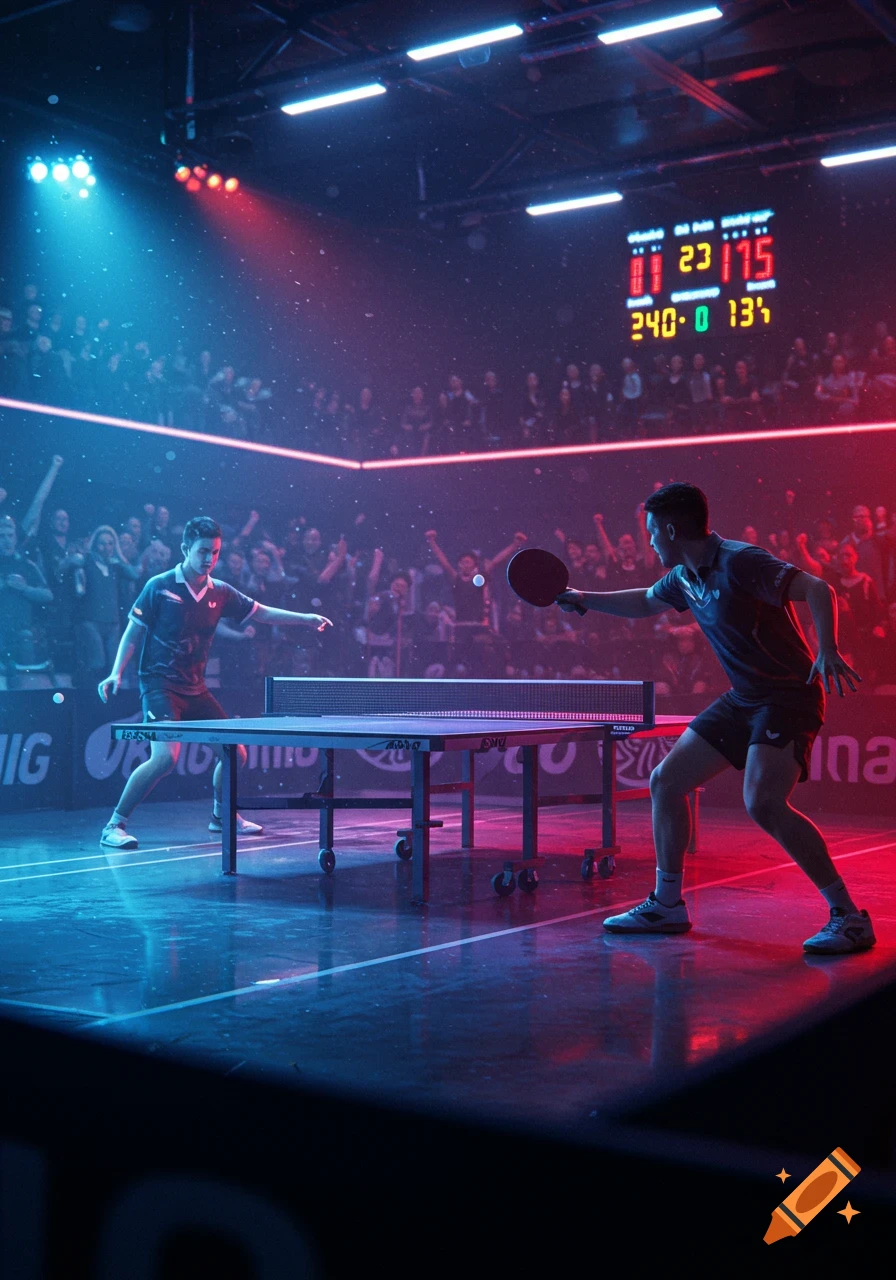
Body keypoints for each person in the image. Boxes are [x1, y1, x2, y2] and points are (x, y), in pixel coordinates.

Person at [557, 481, 874, 955]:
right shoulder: (685, 575)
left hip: (788, 696)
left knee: (764, 803)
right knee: (665, 781)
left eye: (651, 533)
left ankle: (849, 918)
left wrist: (827, 649)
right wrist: (584, 597)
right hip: (744, 697)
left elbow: (818, 588)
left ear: (670, 528)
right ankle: (666, 905)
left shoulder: (741, 560)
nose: (649, 542)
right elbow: (644, 601)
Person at [96, 515, 332, 850]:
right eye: (204, 550)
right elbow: (134, 631)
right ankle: (114, 825)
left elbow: (261, 612)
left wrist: (304, 619)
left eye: (216, 552)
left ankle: (222, 817)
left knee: (235, 754)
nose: (210, 558)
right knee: (165, 759)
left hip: (195, 688)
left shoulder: (220, 592)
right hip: (160, 686)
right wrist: (116, 672)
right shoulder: (159, 586)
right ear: (185, 549)